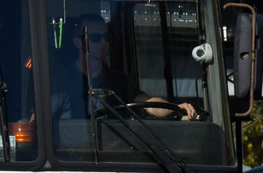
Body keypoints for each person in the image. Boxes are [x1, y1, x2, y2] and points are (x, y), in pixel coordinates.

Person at [52, 15, 197, 121]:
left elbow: (148, 103)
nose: (103, 42)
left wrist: (175, 108)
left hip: (113, 149)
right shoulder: (60, 82)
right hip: (73, 151)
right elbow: (44, 121)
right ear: (78, 42)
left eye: (106, 37)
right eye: (95, 37)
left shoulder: (118, 80)